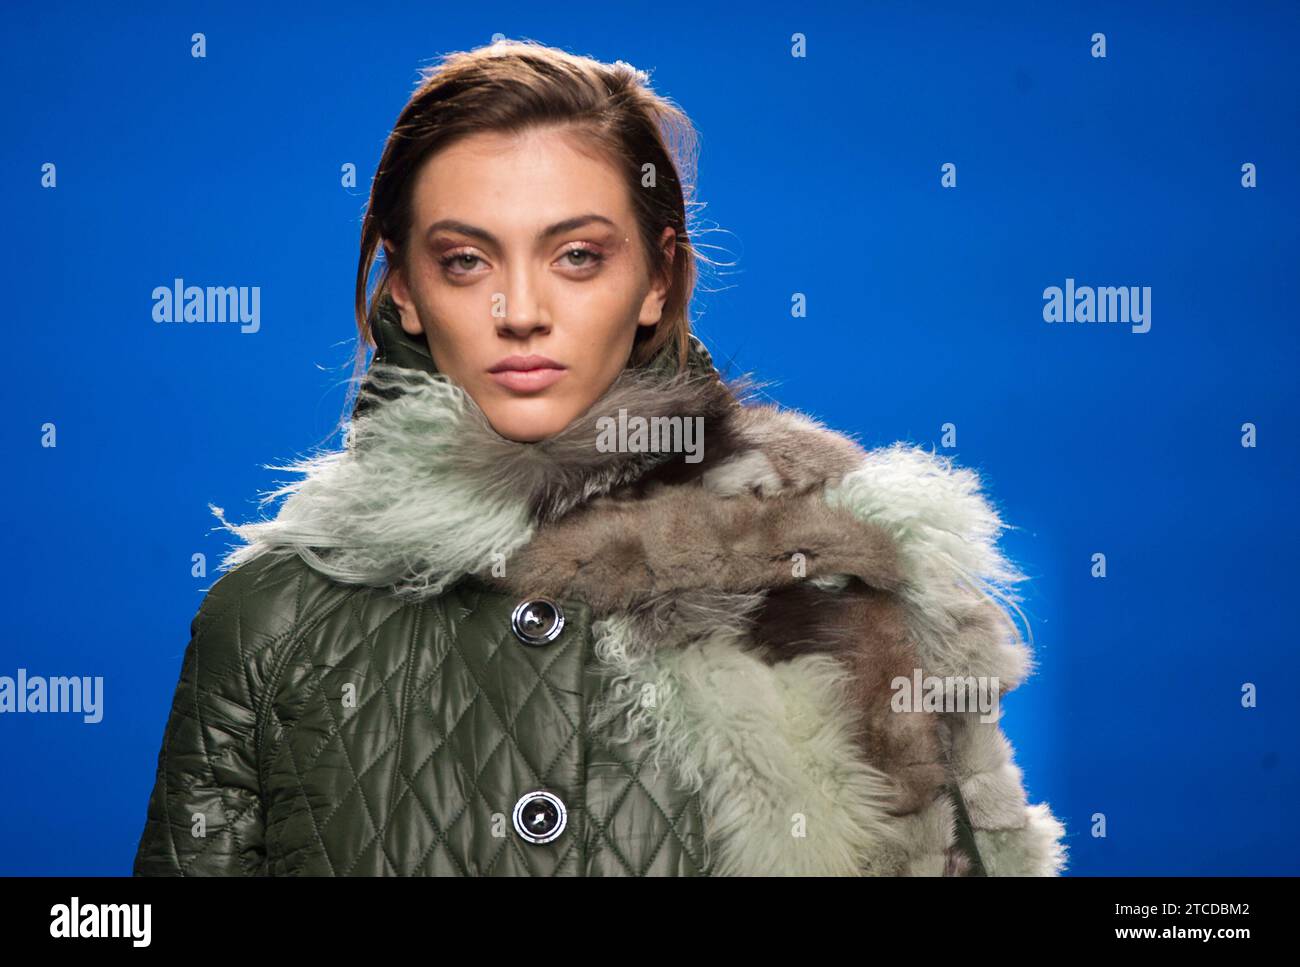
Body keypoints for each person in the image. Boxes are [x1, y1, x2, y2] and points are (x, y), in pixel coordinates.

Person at [132, 39, 1067, 876]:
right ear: (407, 288)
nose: (521, 309)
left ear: (658, 277)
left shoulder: (832, 571)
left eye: (576, 255)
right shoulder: (273, 620)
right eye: (466, 261)